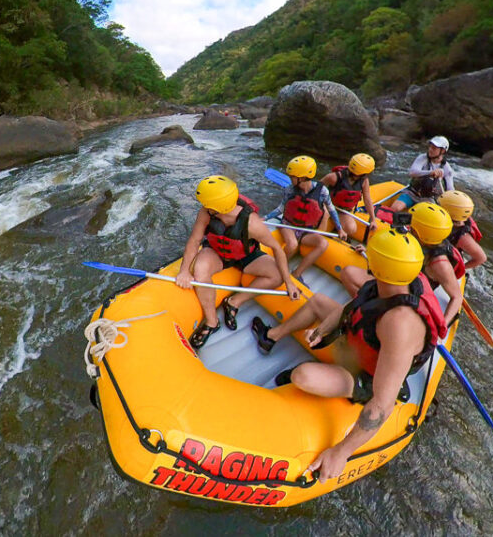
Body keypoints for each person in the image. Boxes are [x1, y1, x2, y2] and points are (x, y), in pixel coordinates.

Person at [249, 228, 446, 480]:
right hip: (361, 343)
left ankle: (337, 383)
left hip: (368, 378)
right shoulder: (394, 281)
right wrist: (322, 330)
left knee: (303, 376)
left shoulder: (400, 325)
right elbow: (354, 307)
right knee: (318, 302)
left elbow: (382, 404)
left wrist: (342, 451)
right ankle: (272, 337)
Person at [176, 175, 301, 349]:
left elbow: (277, 248)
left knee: (277, 276)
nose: (204, 206)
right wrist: (184, 271)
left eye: (207, 204)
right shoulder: (206, 213)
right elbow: (194, 240)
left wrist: (289, 282)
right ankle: (212, 322)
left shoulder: (252, 224)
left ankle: (234, 302)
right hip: (217, 251)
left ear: (218, 206)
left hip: (245, 255)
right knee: (200, 270)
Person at [266, 155, 345, 279]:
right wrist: (265, 218)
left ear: (302, 178)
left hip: (307, 230)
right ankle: (277, 269)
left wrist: (340, 229)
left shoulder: (322, 191)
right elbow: (280, 209)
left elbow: (331, 210)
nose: (290, 178)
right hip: (288, 225)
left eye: (292, 176)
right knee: (292, 244)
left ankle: (297, 273)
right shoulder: (290, 189)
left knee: (323, 244)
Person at [389, 136, 454, 212]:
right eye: (430, 147)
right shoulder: (422, 158)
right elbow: (412, 172)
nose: (430, 149)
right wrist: (430, 172)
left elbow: (450, 189)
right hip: (412, 193)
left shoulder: (447, 169)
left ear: (442, 151)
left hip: (428, 199)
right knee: (395, 208)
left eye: (434, 148)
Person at [321, 153, 377, 240]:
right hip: (327, 206)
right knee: (325, 213)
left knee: (351, 228)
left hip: (342, 211)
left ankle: (333, 227)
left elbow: (367, 200)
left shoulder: (364, 181)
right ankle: (319, 236)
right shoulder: (334, 177)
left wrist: (373, 219)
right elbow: (315, 189)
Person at [438, 190, 487, 272]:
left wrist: (459, 270)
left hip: (444, 264)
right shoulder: (453, 218)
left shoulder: (462, 237)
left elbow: (481, 258)